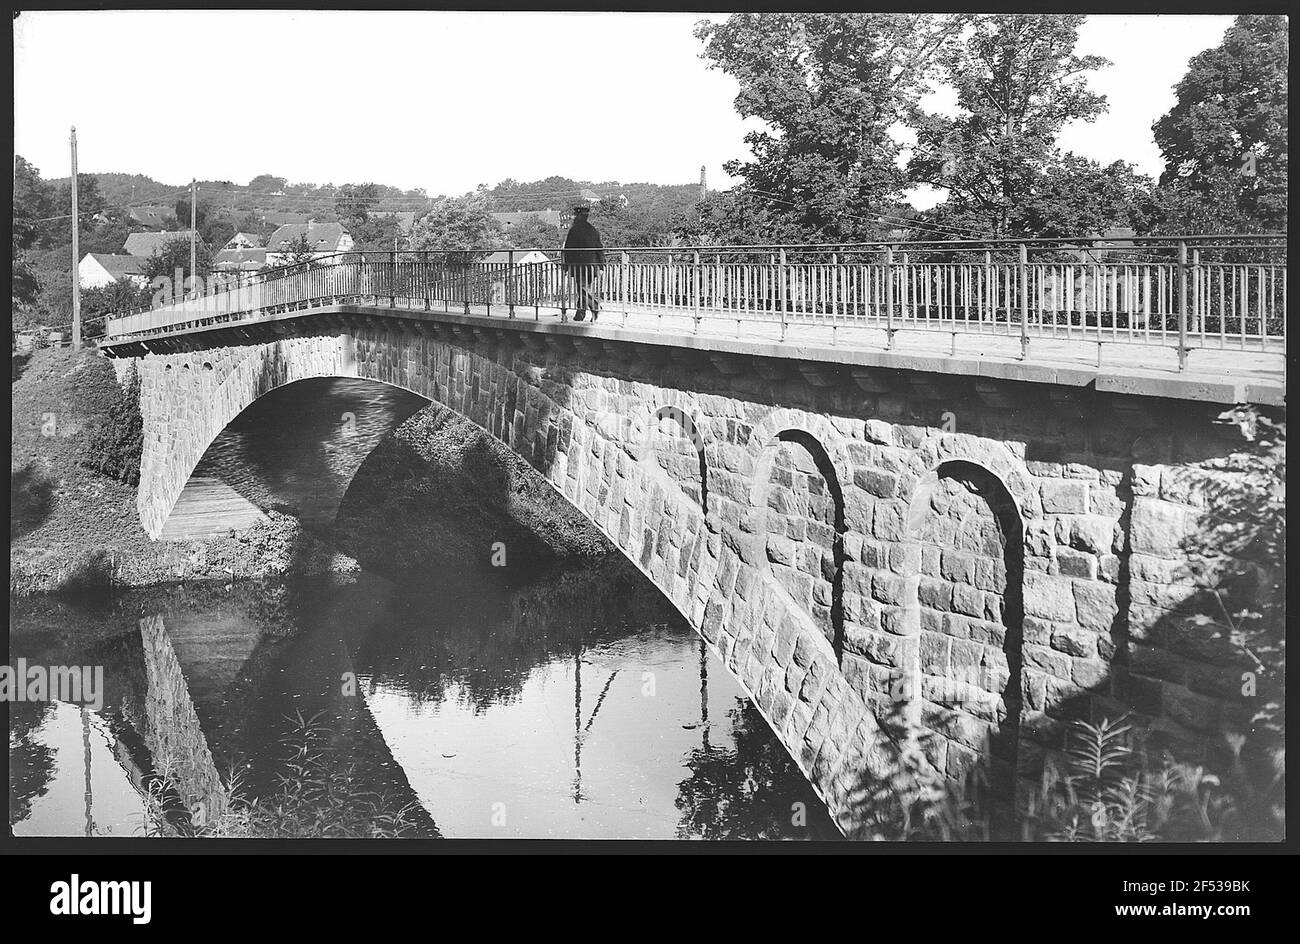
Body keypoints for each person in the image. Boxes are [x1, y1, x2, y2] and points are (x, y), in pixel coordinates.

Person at [561, 205, 605, 321]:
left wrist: (565, 267)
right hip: (592, 266)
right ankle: (580, 314)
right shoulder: (593, 229)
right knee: (584, 288)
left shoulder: (574, 230)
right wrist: (601, 266)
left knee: (582, 289)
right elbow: (599, 248)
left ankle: (595, 307)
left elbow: (568, 250)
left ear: (577, 216)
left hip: (580, 266)